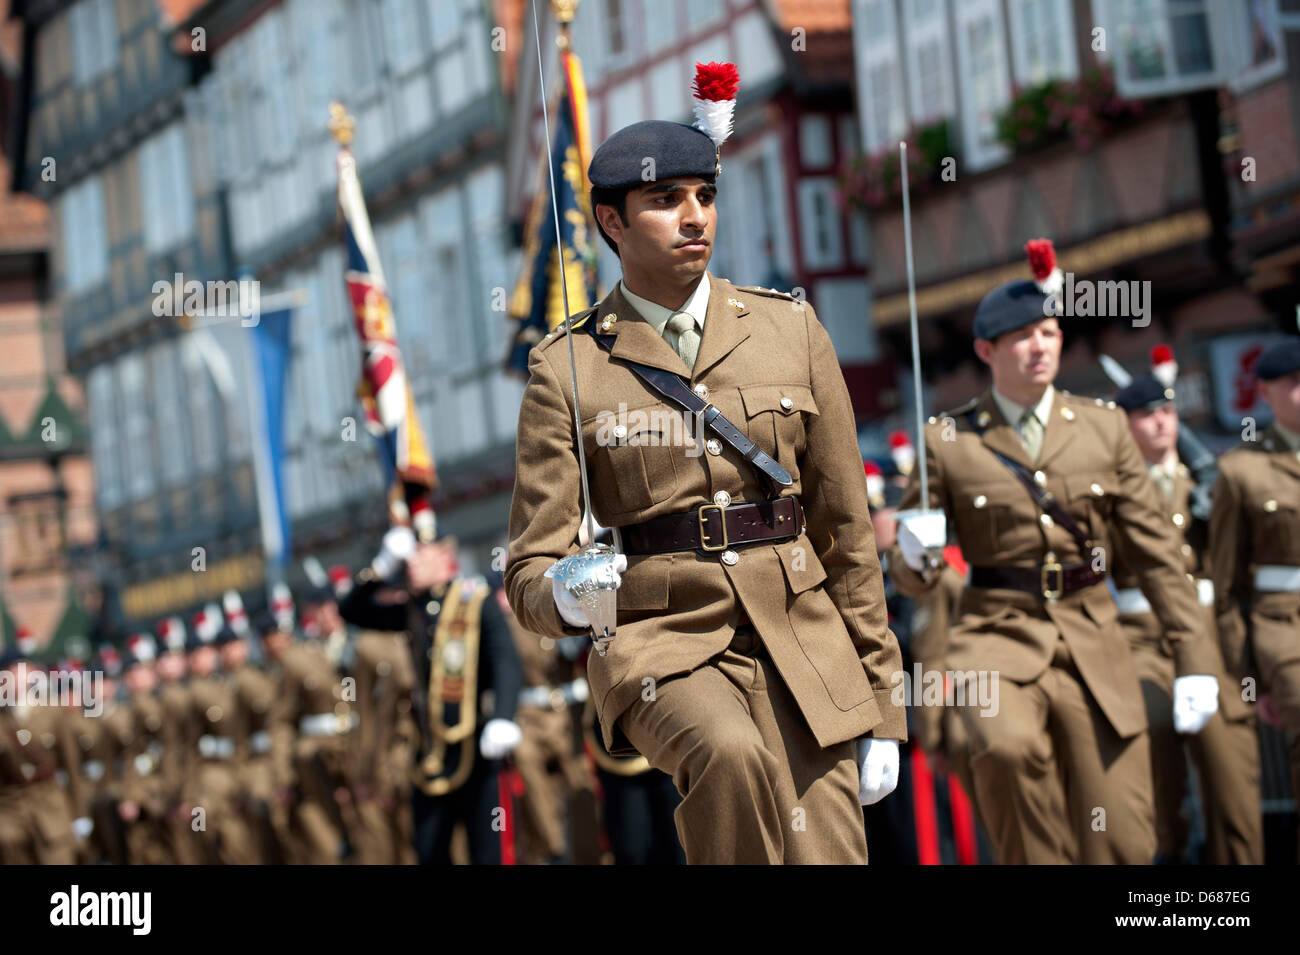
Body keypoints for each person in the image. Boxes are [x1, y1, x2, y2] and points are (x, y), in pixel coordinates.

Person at [505, 62, 905, 864]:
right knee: (728, 755)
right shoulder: (568, 366)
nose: (694, 218)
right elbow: (527, 569)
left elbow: (846, 533)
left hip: (803, 638)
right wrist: (567, 596)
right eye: (665, 201)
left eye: (705, 197)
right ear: (611, 223)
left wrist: (884, 702)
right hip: (662, 642)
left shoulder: (790, 329)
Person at [889, 239, 1220, 864]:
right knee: (1005, 748)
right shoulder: (949, 440)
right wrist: (915, 554)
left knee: (1122, 837)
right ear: (987, 351)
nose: (1038, 346)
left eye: (1048, 331)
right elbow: (911, 578)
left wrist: (1196, 656)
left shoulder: (1103, 428)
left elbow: (1156, 555)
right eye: (1020, 337)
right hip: (999, 631)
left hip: (1095, 635)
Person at [1113, 370, 1262, 864]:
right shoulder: (1113, 492)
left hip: (1210, 640)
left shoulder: (1209, 478)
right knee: (1155, 783)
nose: (1160, 423)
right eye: (1146, 415)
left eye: (1167, 412)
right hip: (1141, 639)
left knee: (1233, 787)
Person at [339, 522, 524, 865]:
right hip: (428, 753)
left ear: (445, 556)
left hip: (476, 746)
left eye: (420, 555)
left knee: (488, 852)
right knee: (429, 851)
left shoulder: (475, 600)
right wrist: (380, 566)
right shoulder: (411, 609)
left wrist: (503, 717)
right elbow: (351, 610)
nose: (411, 564)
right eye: (407, 558)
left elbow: (505, 661)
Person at [1210, 337, 1300, 836]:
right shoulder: (1241, 470)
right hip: (1284, 627)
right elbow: (1227, 583)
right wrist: (1250, 676)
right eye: (1293, 383)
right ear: (1265, 391)